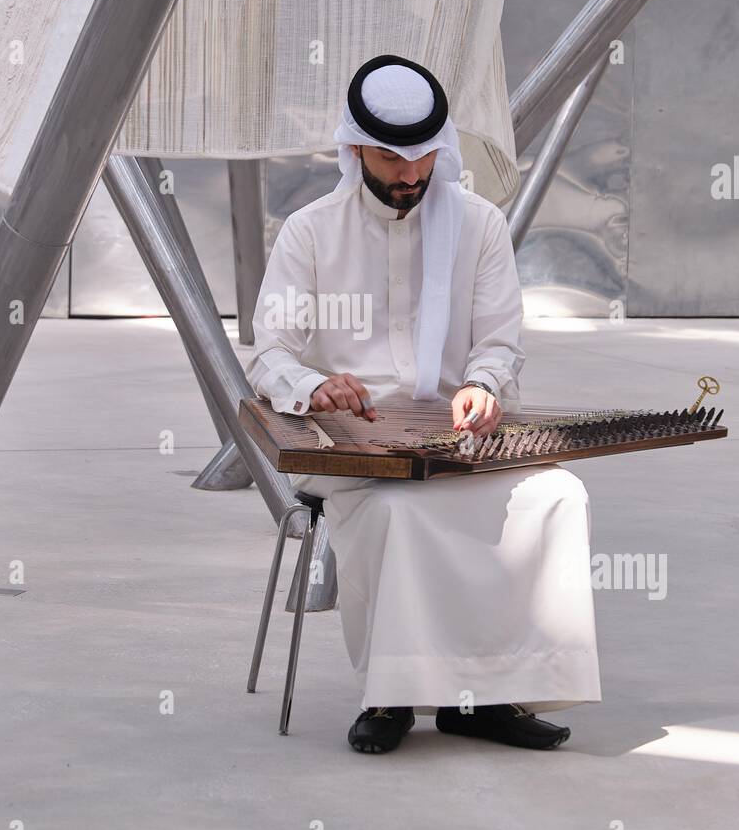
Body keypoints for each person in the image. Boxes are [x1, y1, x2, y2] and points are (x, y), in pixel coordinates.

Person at [245, 54, 601, 755]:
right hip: (351, 447)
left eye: (423, 159)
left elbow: (499, 344)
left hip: (458, 440)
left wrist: (481, 387)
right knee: (400, 507)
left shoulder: (480, 226)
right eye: (389, 158)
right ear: (354, 149)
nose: (409, 176)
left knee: (559, 494)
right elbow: (267, 354)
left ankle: (489, 698)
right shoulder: (310, 232)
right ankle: (394, 694)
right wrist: (313, 387)